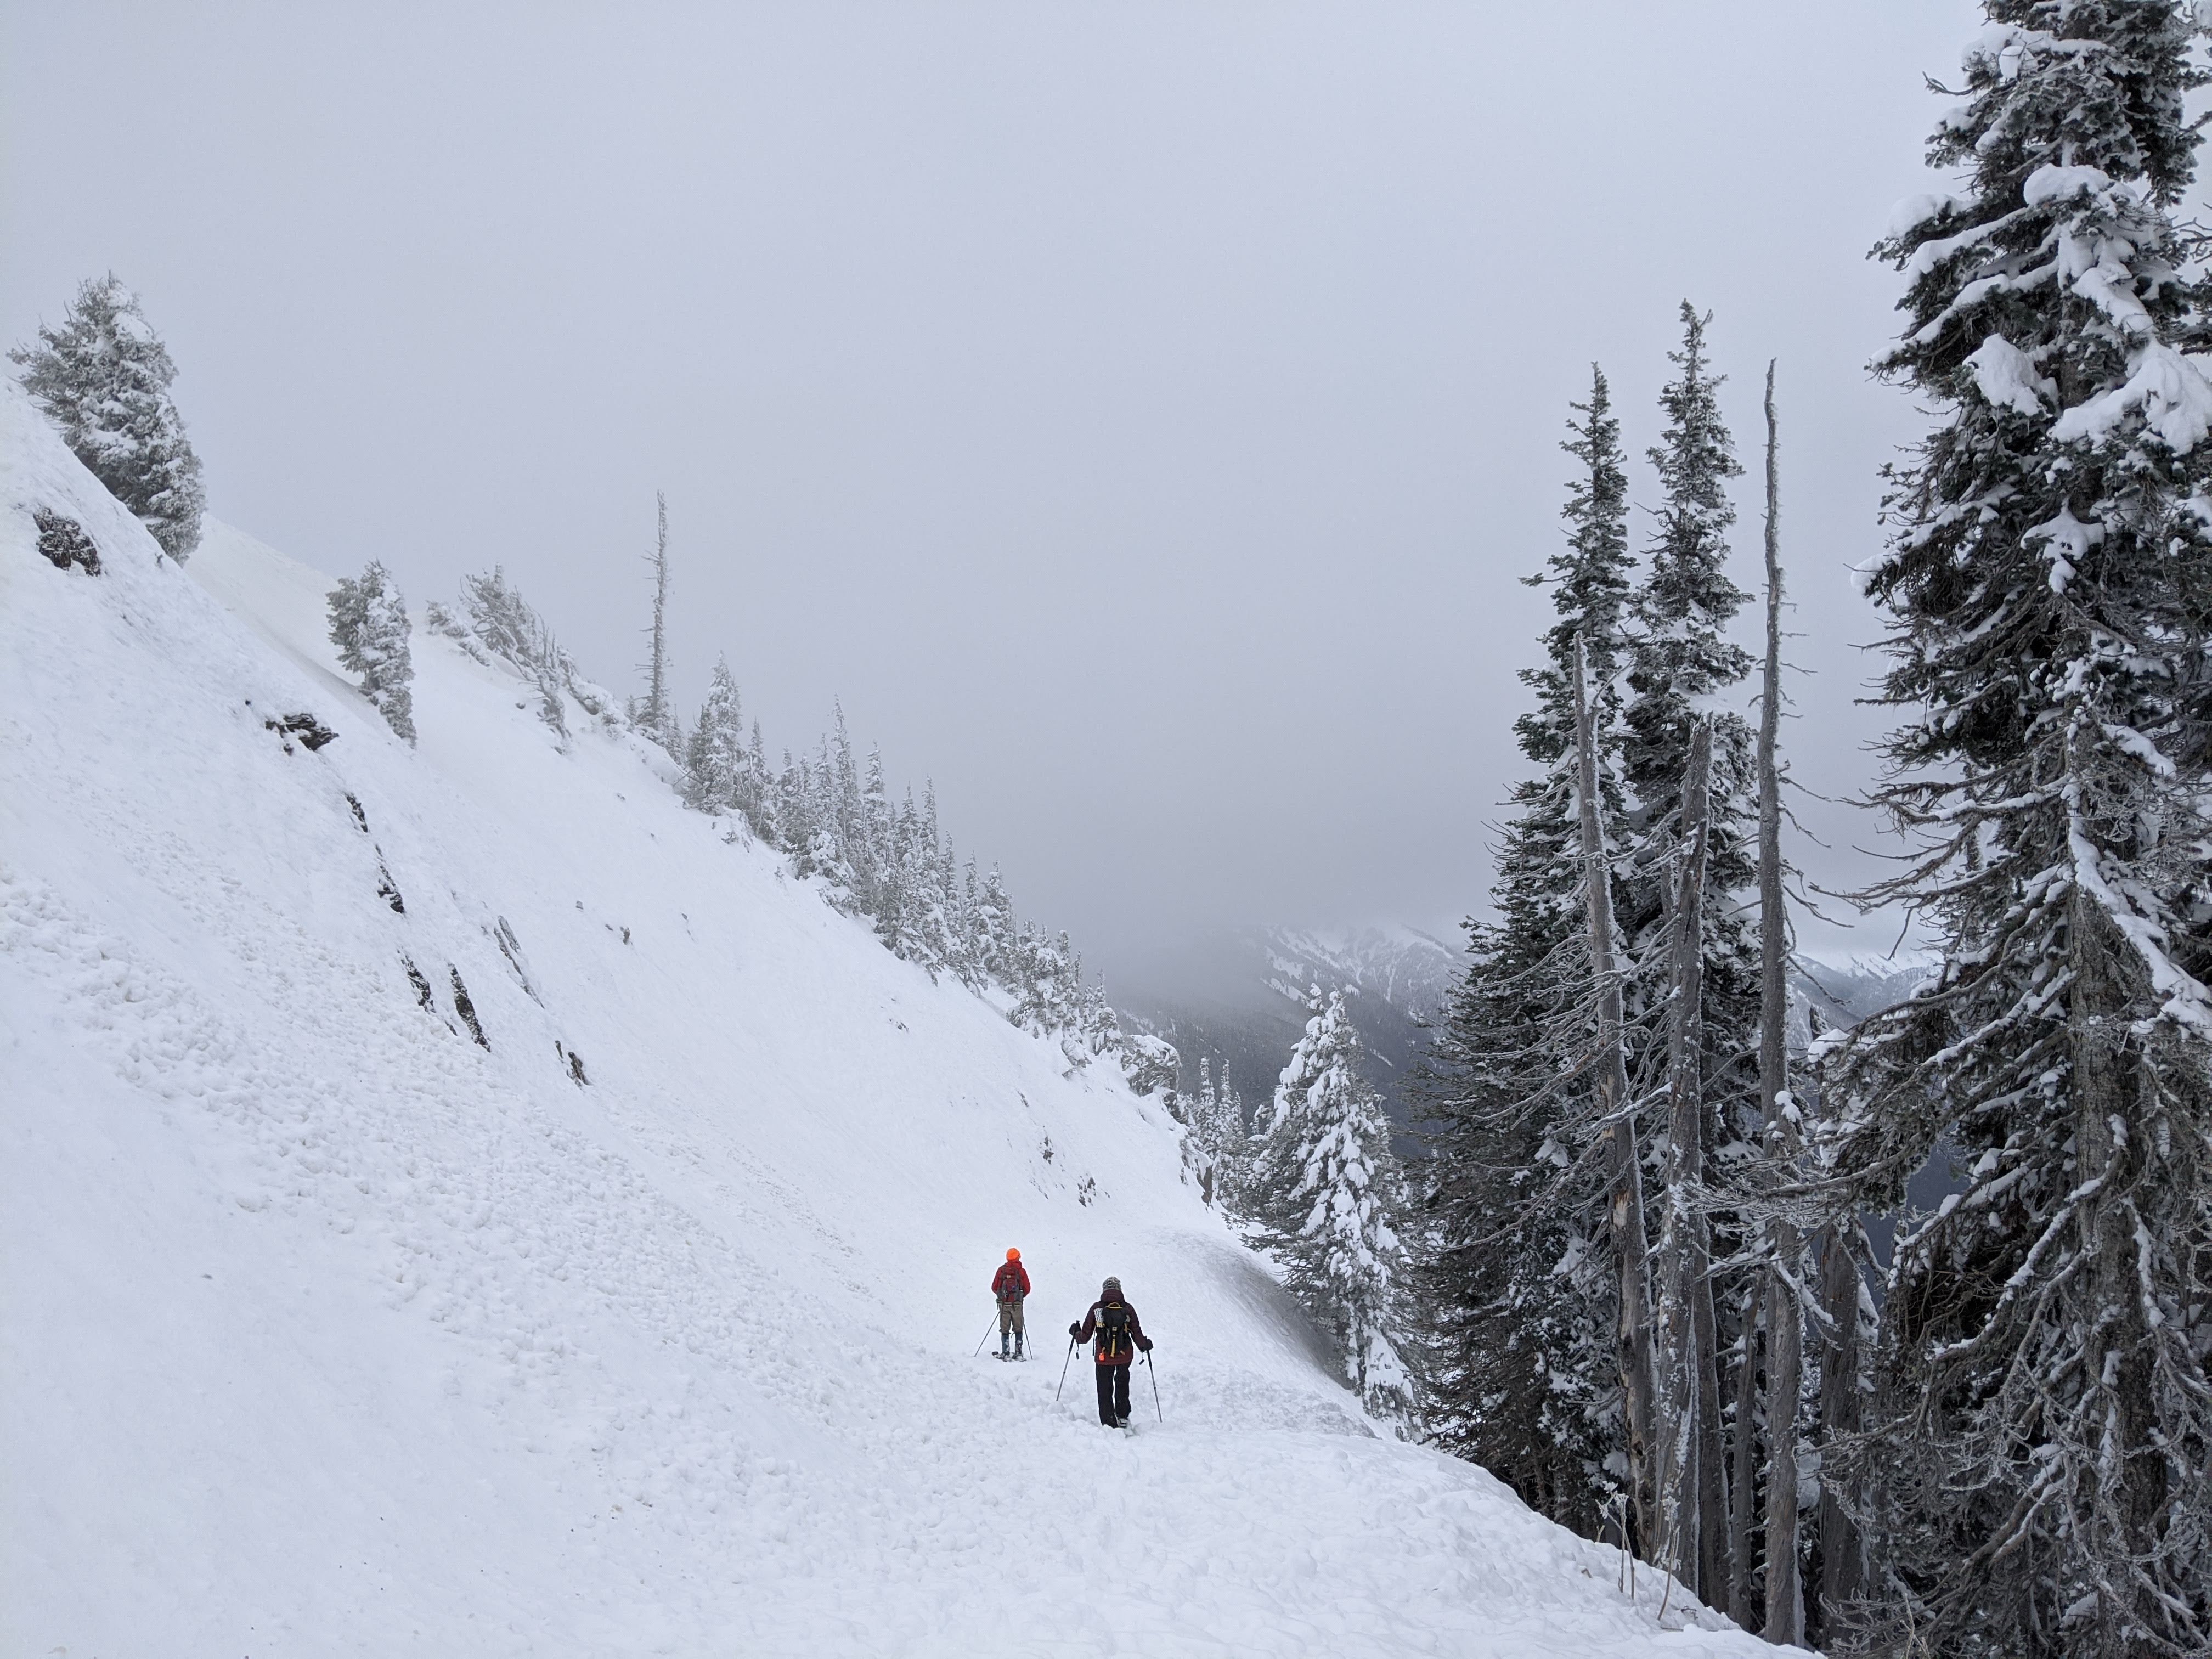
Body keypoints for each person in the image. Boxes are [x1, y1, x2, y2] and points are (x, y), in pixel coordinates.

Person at [1070, 1276, 1152, 1427]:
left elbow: (1085, 1336)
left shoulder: (1097, 1308)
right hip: (1124, 1356)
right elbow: (1137, 1333)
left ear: (1104, 1290)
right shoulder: (1128, 1309)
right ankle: (1122, 1415)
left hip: (1103, 1356)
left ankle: (1108, 1420)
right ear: (1119, 1290)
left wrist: (1076, 1334)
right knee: (1122, 1382)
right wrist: (1145, 1345)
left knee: (1104, 1386)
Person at [991, 1247, 1030, 1360]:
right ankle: (1018, 1353)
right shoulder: (1021, 1271)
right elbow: (1027, 1288)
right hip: (1017, 1305)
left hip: (1004, 1306)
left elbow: (994, 1287)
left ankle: (1006, 1353)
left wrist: (1003, 1297)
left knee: (1005, 1328)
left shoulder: (1002, 1270)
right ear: (1018, 1257)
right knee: (1018, 1328)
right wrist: (1020, 1297)